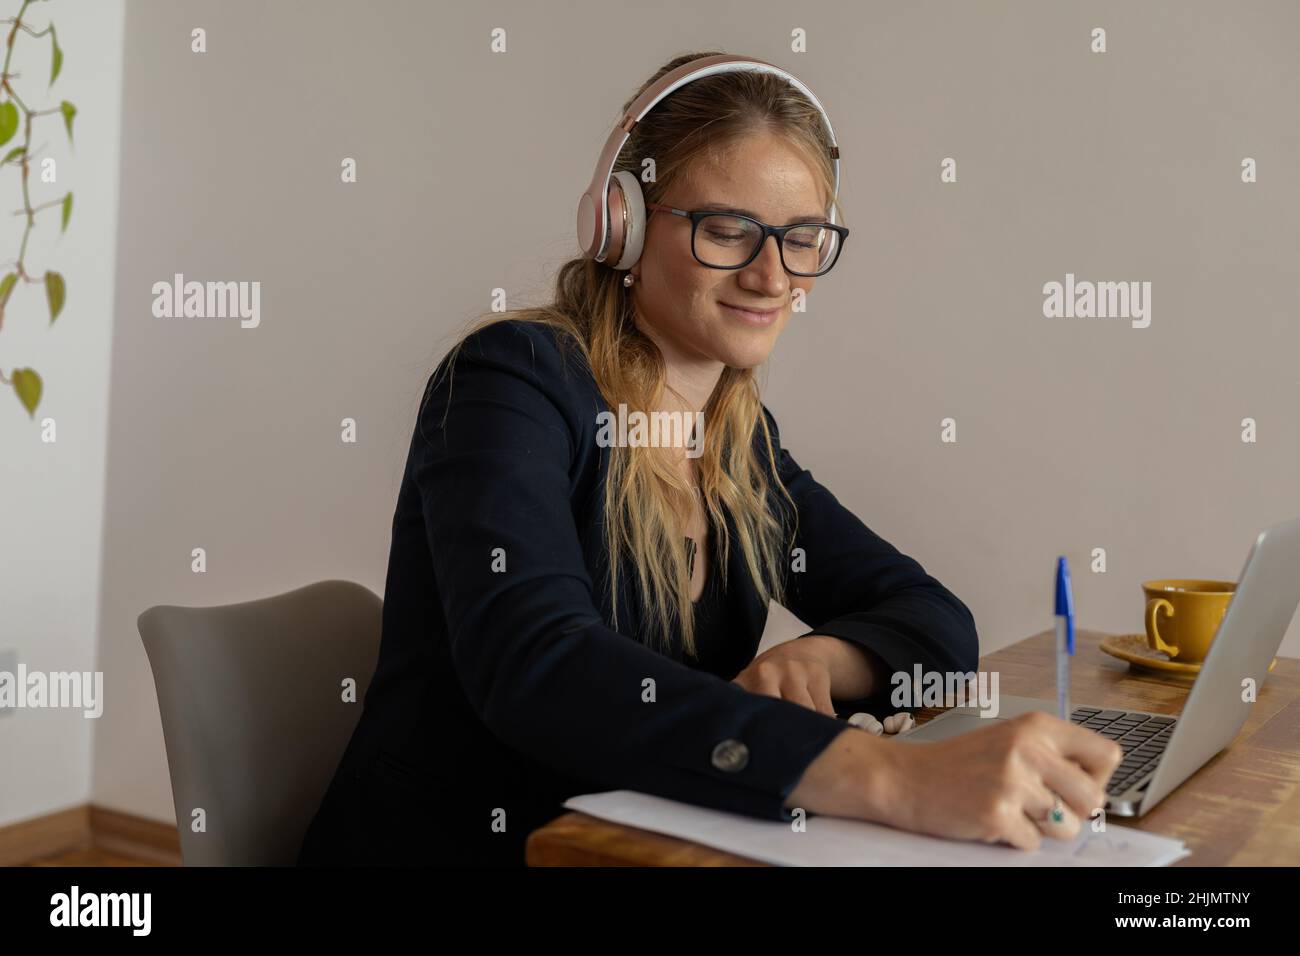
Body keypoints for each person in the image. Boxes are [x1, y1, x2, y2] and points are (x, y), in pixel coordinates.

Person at [298, 50, 1122, 867]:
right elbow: (539, 664)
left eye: (802, 239)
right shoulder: (510, 382)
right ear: (619, 224)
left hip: (648, 849)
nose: (773, 277)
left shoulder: (738, 443)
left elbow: (935, 619)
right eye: (728, 230)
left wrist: (823, 656)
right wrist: (891, 777)